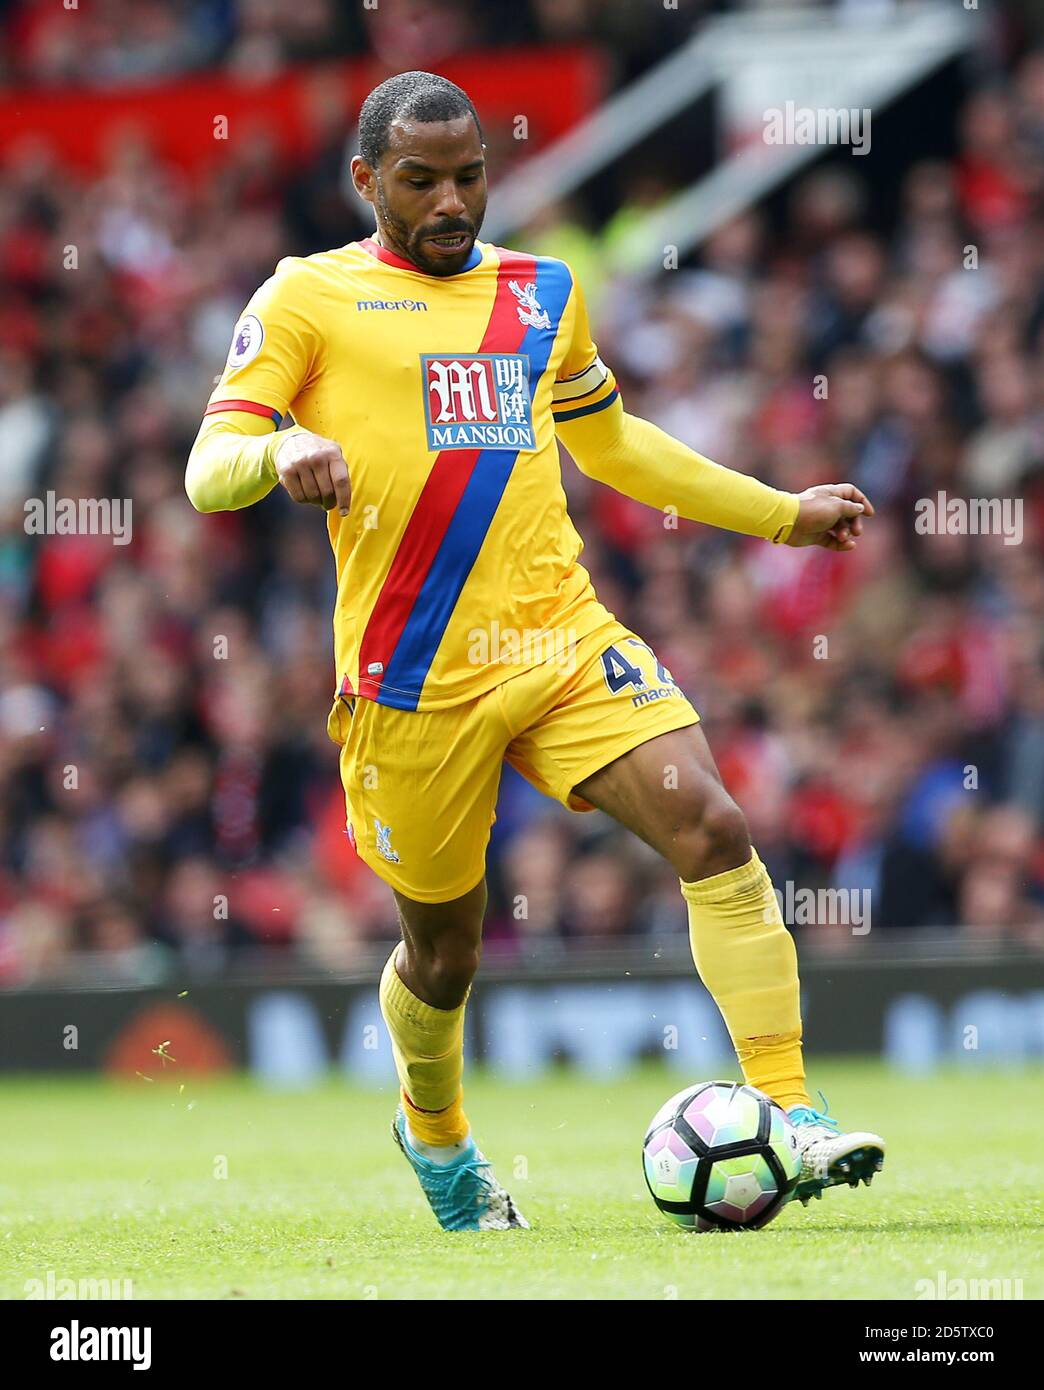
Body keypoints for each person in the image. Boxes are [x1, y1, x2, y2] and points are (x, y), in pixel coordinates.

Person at [186, 71, 885, 1231]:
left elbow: (611, 447)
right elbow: (209, 465)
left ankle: (790, 1106)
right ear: (368, 182)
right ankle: (440, 1138)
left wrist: (780, 510)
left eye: (470, 176)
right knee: (446, 952)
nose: (454, 200)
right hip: (413, 674)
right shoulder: (307, 298)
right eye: (422, 181)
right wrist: (281, 452)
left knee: (711, 822)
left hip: (559, 636)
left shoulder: (541, 292)